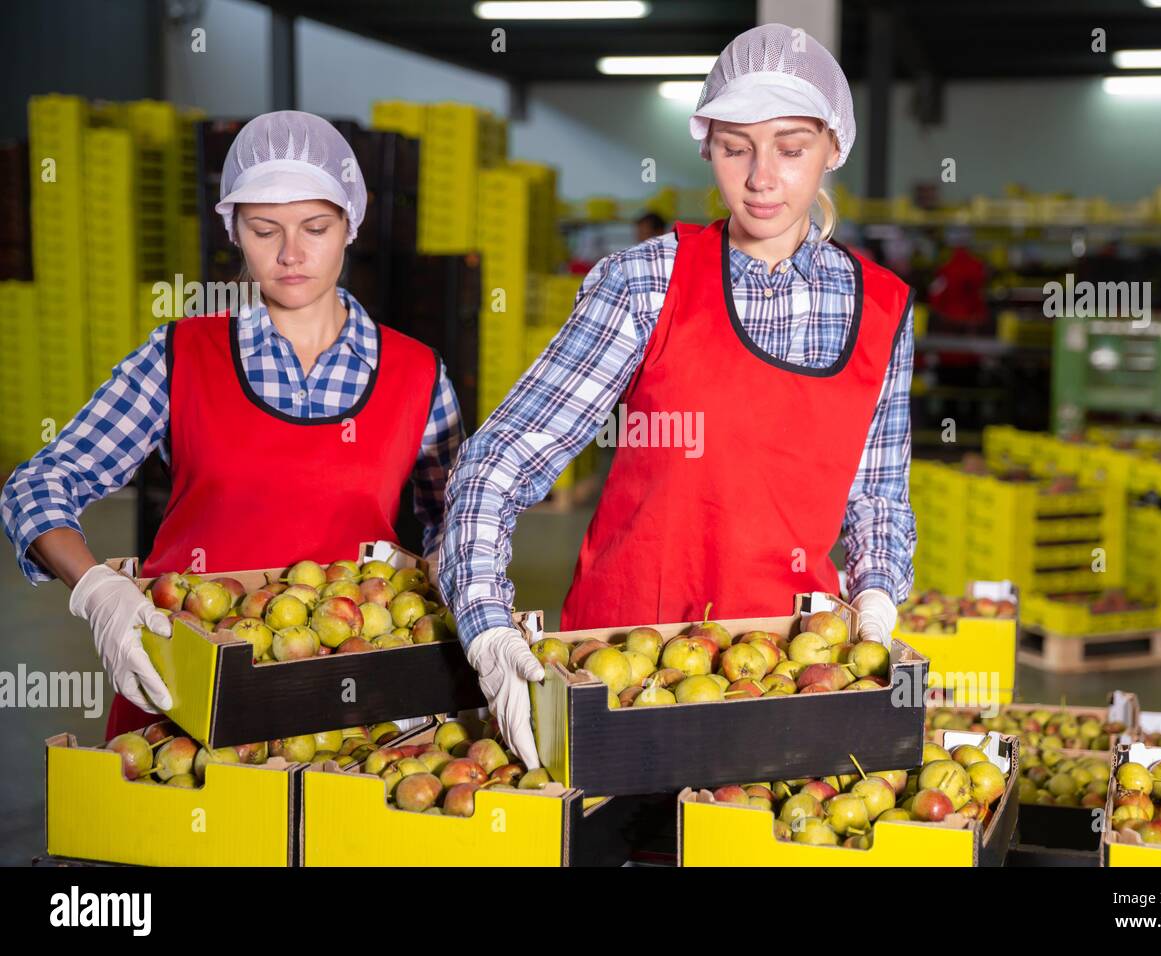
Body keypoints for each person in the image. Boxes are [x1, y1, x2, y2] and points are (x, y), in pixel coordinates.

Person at [440, 24, 916, 767]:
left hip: (787, 674)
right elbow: (499, 458)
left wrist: (879, 598)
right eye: (735, 147)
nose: (762, 177)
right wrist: (488, 627)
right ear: (706, 148)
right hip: (622, 667)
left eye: (791, 148)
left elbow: (878, 495)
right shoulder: (647, 282)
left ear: (833, 148)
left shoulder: (883, 310)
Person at [1, 111, 463, 739]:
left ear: (351, 225)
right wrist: (97, 591)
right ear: (234, 231)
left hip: (347, 707)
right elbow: (38, 484)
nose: (291, 253)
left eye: (316, 227)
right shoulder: (179, 357)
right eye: (264, 229)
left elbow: (455, 528)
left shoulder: (418, 373)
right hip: (183, 689)